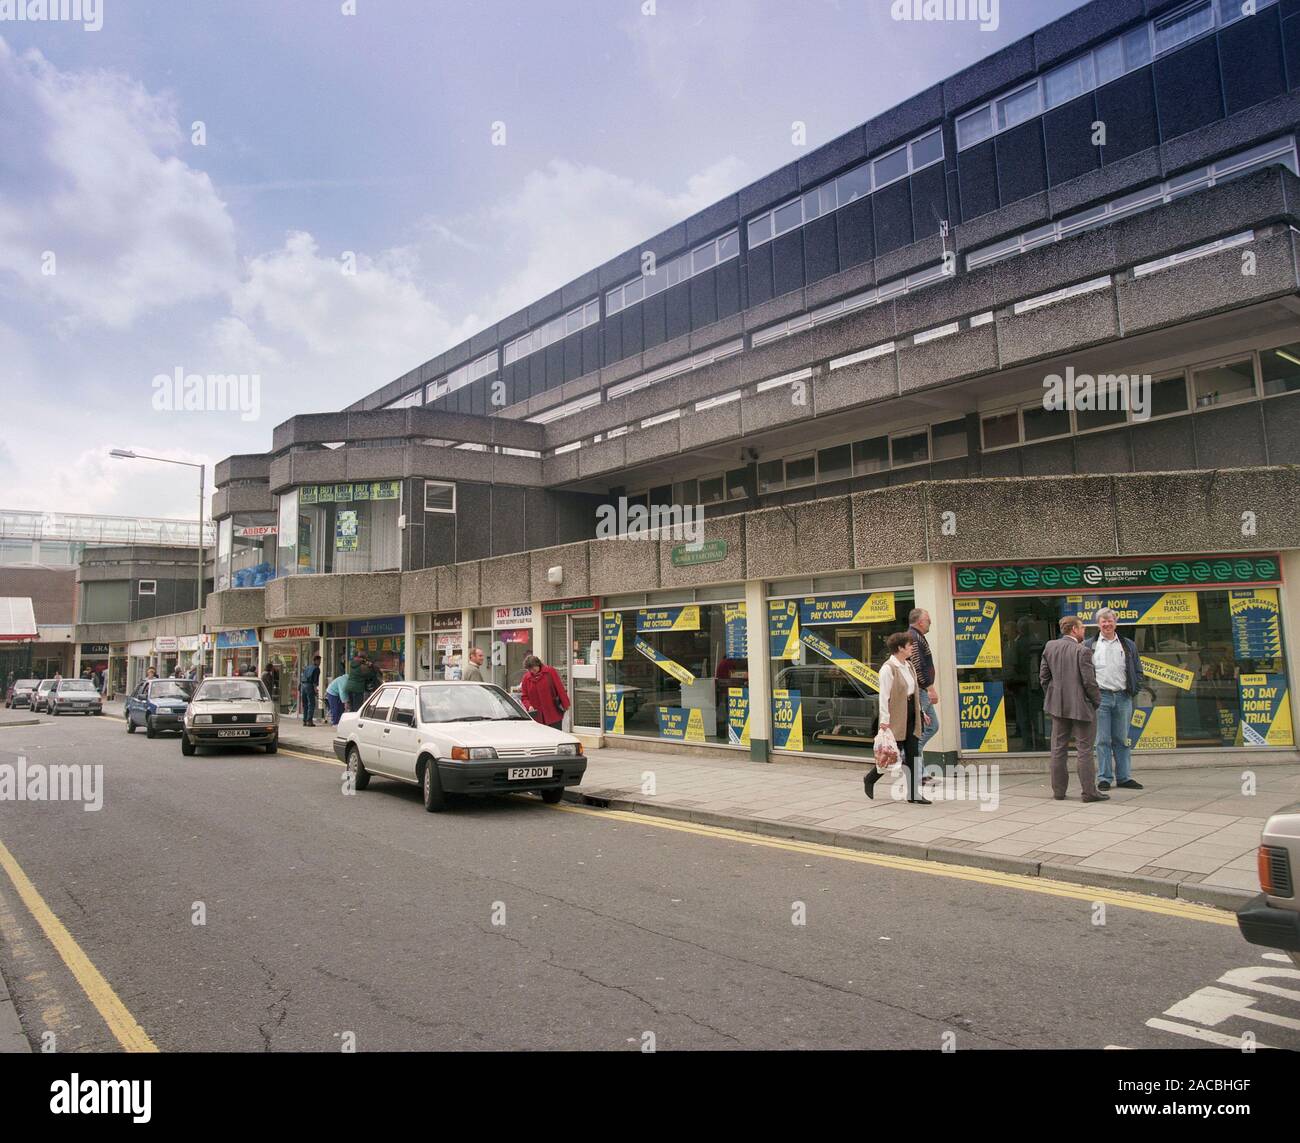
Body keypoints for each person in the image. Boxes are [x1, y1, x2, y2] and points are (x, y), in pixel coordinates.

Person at [1040, 615, 1106, 803]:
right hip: (1082, 706)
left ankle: (1058, 792)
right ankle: (1089, 792)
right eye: (1082, 628)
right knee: (1084, 749)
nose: (1084, 631)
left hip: (1058, 706)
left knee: (1058, 748)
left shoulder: (1050, 646)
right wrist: (1096, 701)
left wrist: (1053, 695)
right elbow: (1089, 681)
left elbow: (1044, 677)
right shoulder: (1082, 651)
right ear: (1074, 630)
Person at [1084, 608, 1148, 791]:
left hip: (1123, 696)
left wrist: (1134, 689)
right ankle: (1104, 778)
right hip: (1100, 698)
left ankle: (1124, 777)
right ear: (1098, 624)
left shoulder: (1127, 645)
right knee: (1102, 740)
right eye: (1103, 621)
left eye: (1110, 621)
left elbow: (1137, 669)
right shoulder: (1089, 646)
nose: (1107, 624)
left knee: (1121, 739)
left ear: (1115, 622)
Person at [864, 631, 931, 805]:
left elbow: (915, 692)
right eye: (909, 646)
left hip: (911, 714)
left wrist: (922, 712)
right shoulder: (888, 668)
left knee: (913, 755)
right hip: (895, 717)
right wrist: (884, 722)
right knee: (890, 754)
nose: (912, 649)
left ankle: (914, 794)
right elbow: (884, 697)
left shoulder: (909, 666)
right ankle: (870, 778)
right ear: (900, 648)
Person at [907, 607, 940, 757]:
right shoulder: (914, 637)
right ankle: (909, 755)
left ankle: (918, 767)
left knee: (929, 727)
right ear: (920, 622)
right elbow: (918, 665)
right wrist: (930, 688)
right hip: (921, 690)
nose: (930, 622)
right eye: (928, 620)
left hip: (921, 689)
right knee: (927, 727)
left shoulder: (916, 636)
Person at [520, 654, 570, 730]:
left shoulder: (550, 672)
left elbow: (559, 688)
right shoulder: (526, 678)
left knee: (555, 736)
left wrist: (565, 704)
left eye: (533, 668)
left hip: (553, 713)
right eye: (529, 670)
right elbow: (524, 697)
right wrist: (529, 706)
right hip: (537, 717)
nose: (532, 671)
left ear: (538, 664)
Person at [300, 654, 322, 727]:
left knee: (305, 704)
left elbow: (303, 676)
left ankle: (304, 721)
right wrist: (315, 690)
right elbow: (315, 681)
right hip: (309, 686)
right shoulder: (316, 669)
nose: (320, 662)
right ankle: (309, 721)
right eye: (319, 661)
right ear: (316, 661)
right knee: (311, 704)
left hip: (303, 686)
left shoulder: (307, 667)